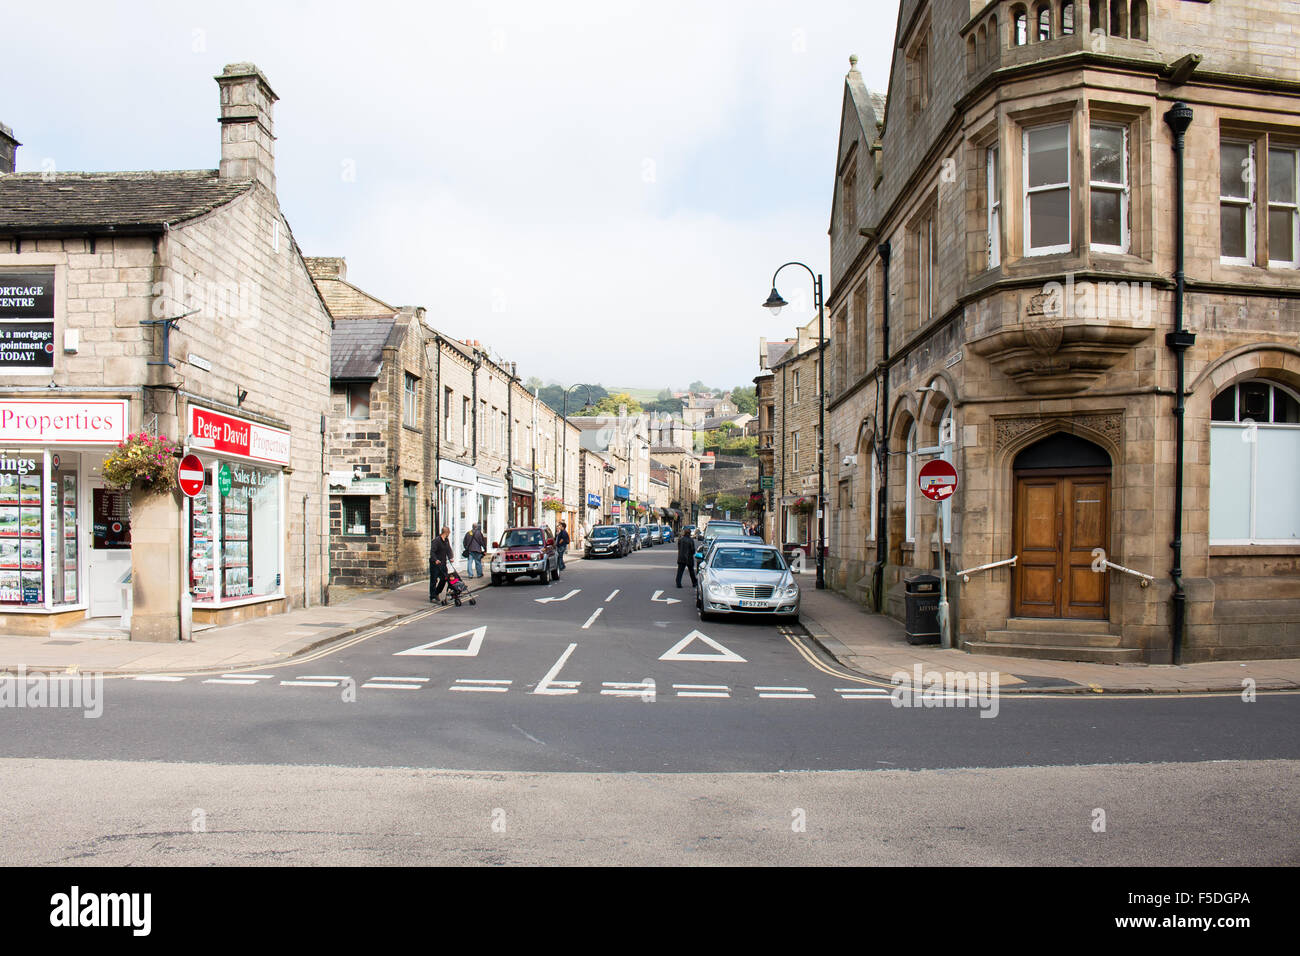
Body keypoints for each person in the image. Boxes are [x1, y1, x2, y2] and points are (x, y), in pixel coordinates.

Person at [430, 526, 453, 603]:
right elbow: (432, 552)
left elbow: (448, 549)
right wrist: (435, 559)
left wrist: (451, 557)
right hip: (435, 564)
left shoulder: (446, 540)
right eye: (448, 533)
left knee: (444, 578)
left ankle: (436, 593)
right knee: (434, 580)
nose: (449, 534)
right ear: (445, 533)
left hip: (443, 563)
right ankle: (432, 596)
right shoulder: (436, 541)